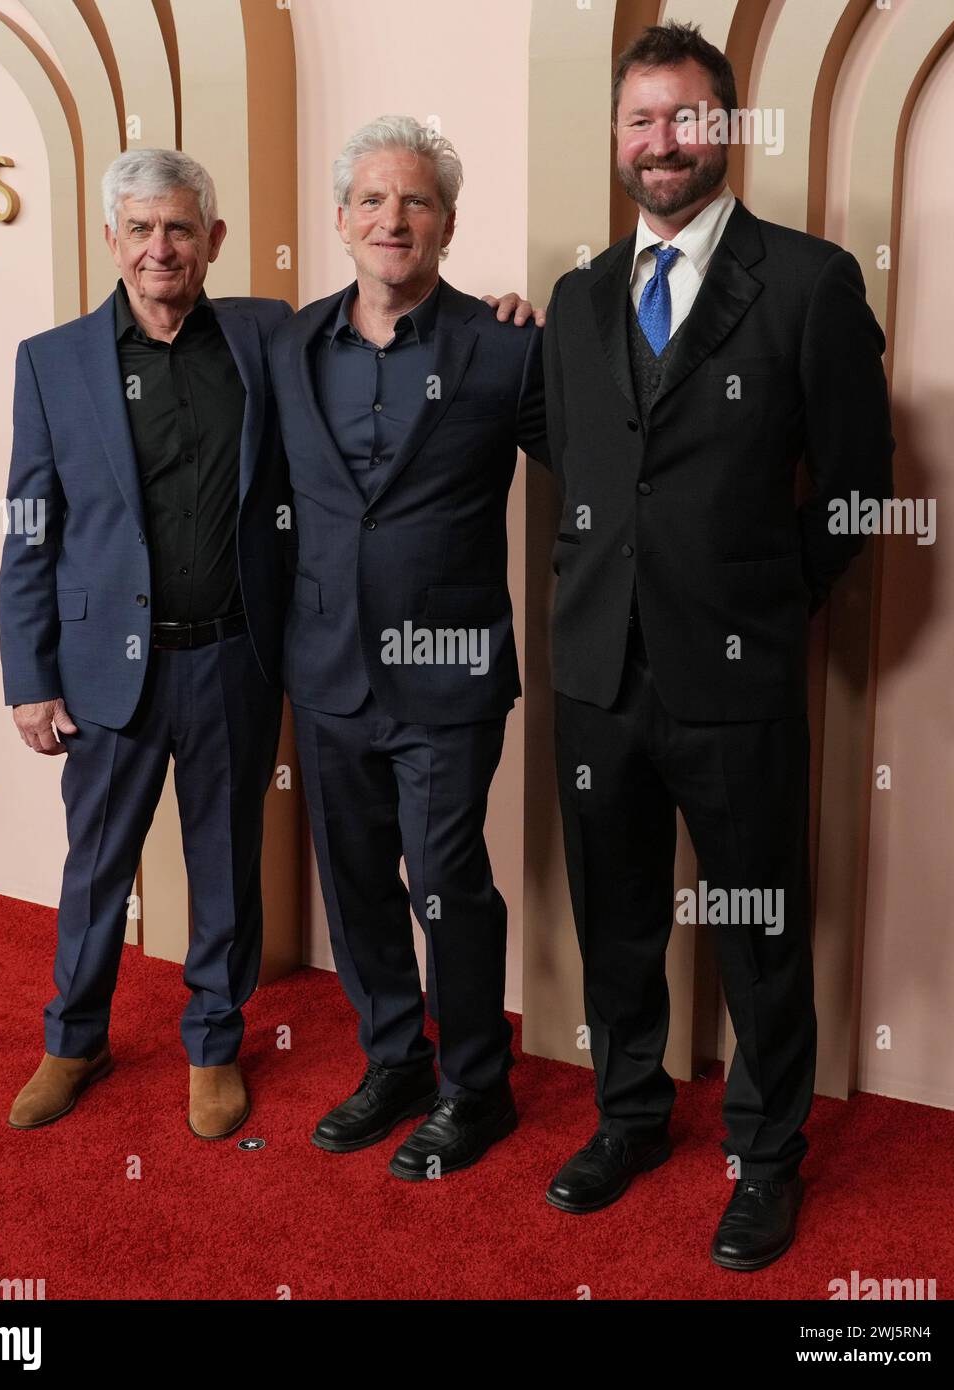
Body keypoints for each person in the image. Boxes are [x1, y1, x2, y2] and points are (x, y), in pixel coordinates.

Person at [541, 23, 894, 1268]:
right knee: (617, 916)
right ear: (618, 137)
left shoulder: (806, 281)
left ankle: (764, 1156)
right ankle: (629, 1117)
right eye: (640, 120)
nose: (661, 143)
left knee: (754, 928)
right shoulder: (577, 300)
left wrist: (766, 599)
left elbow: (855, 485)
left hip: (734, 679)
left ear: (726, 129)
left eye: (684, 118)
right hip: (595, 675)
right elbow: (574, 454)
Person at [268, 115, 547, 1180]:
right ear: (342, 221)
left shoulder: (505, 347)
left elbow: (603, 472)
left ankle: (477, 1086)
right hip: (327, 665)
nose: (394, 218)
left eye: (415, 201)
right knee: (354, 880)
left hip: (450, 674)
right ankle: (394, 1059)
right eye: (373, 201)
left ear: (446, 223)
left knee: (445, 878)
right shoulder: (288, 347)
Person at [0, 149, 292, 1140]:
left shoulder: (266, 337)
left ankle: (212, 1041)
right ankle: (72, 1038)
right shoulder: (52, 360)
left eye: (179, 228)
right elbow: (29, 526)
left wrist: (494, 313)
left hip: (231, 659)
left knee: (224, 862)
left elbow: (379, 319)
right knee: (96, 868)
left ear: (212, 241)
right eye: (140, 228)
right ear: (111, 238)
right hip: (99, 671)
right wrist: (29, 676)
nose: (159, 247)